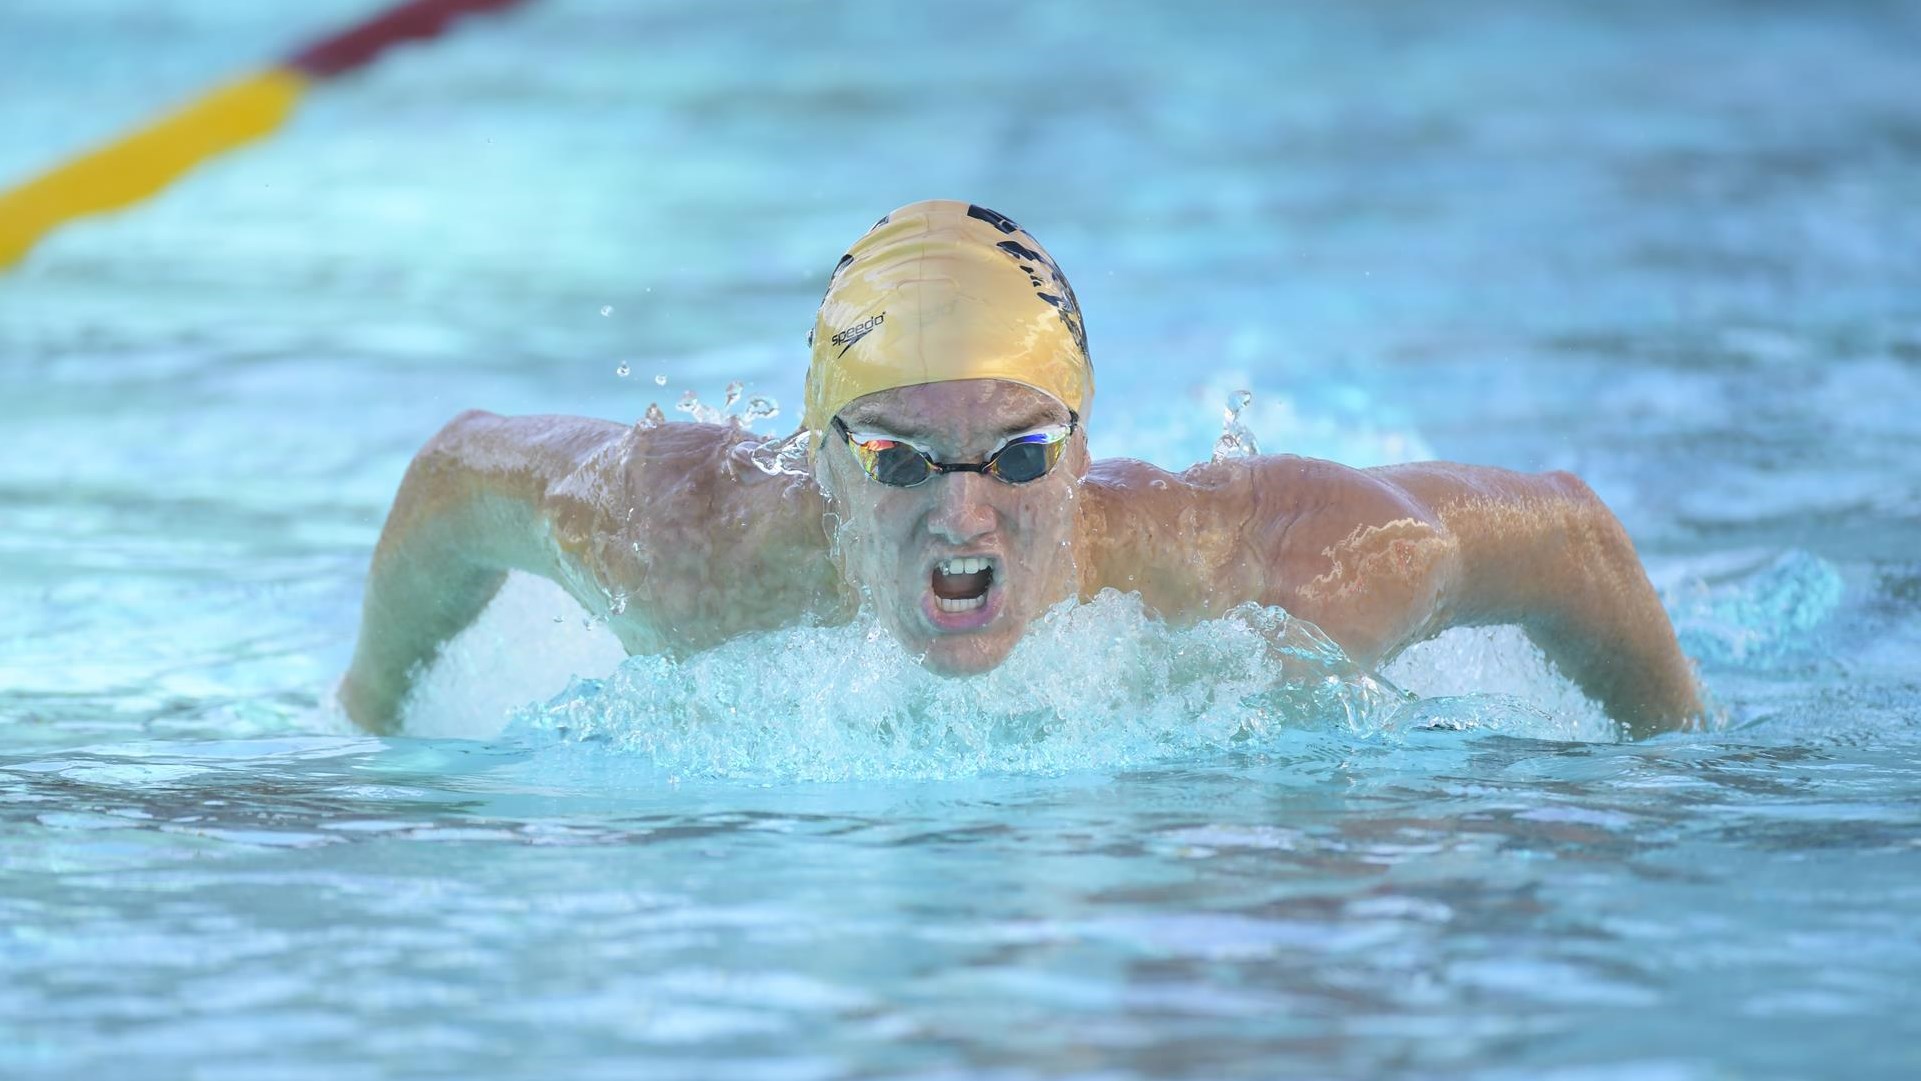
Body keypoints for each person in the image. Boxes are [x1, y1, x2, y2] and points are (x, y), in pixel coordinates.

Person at [339, 199, 1703, 739]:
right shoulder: (682, 545)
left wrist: (1678, 779)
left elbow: (1569, 535)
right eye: (895, 457)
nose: (963, 506)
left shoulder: (1255, 571)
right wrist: (370, 727)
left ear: (1084, 452)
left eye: (1021, 451)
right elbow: (456, 473)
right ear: (820, 467)